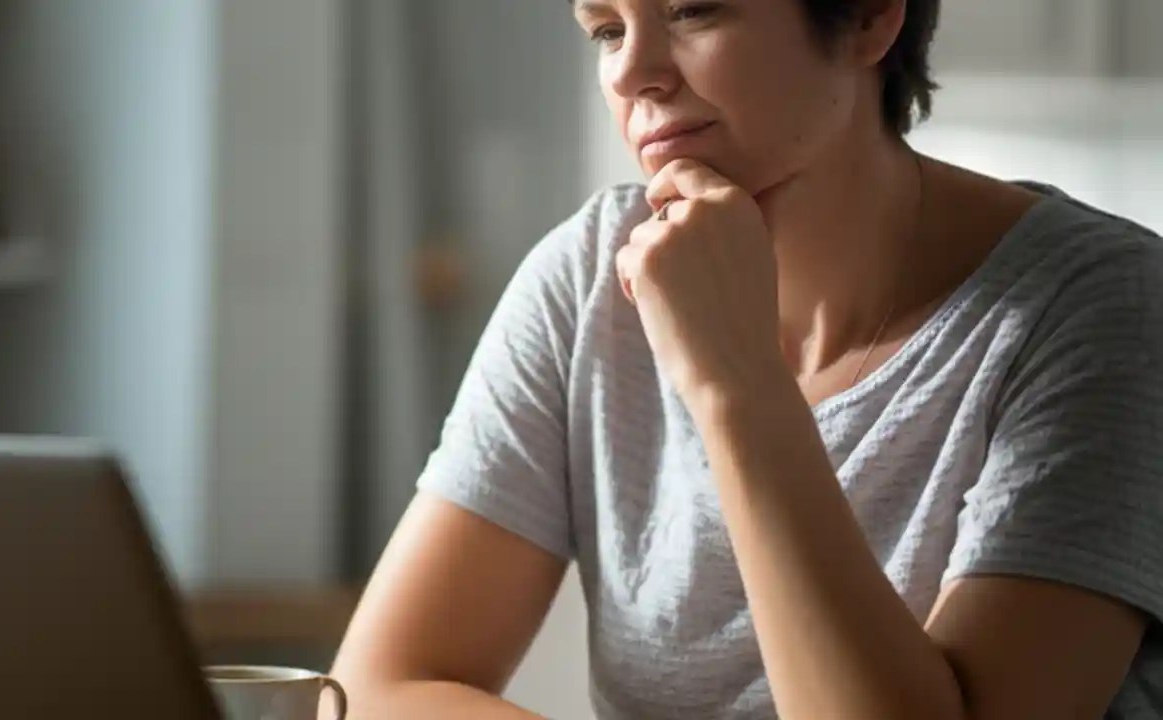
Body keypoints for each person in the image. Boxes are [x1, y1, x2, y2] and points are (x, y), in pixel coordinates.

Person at [331, 0, 1163, 717]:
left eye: (693, 10)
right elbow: (378, 690)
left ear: (870, 15)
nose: (633, 74)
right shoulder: (591, 276)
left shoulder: (1103, 306)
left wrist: (733, 384)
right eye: (608, 30)